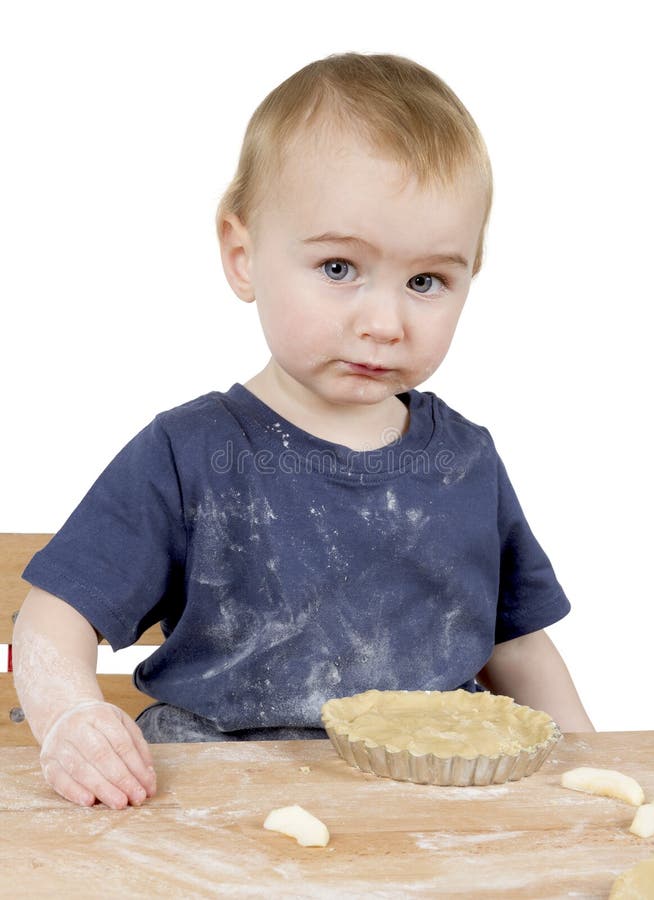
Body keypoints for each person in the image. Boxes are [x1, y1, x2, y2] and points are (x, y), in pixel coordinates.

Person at [13, 51, 594, 811]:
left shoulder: (466, 461)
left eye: (427, 282)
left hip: (426, 810)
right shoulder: (191, 453)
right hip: (214, 802)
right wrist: (71, 719)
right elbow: (52, 621)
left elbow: (513, 644)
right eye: (338, 268)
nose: (384, 323)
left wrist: (594, 769)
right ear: (243, 255)